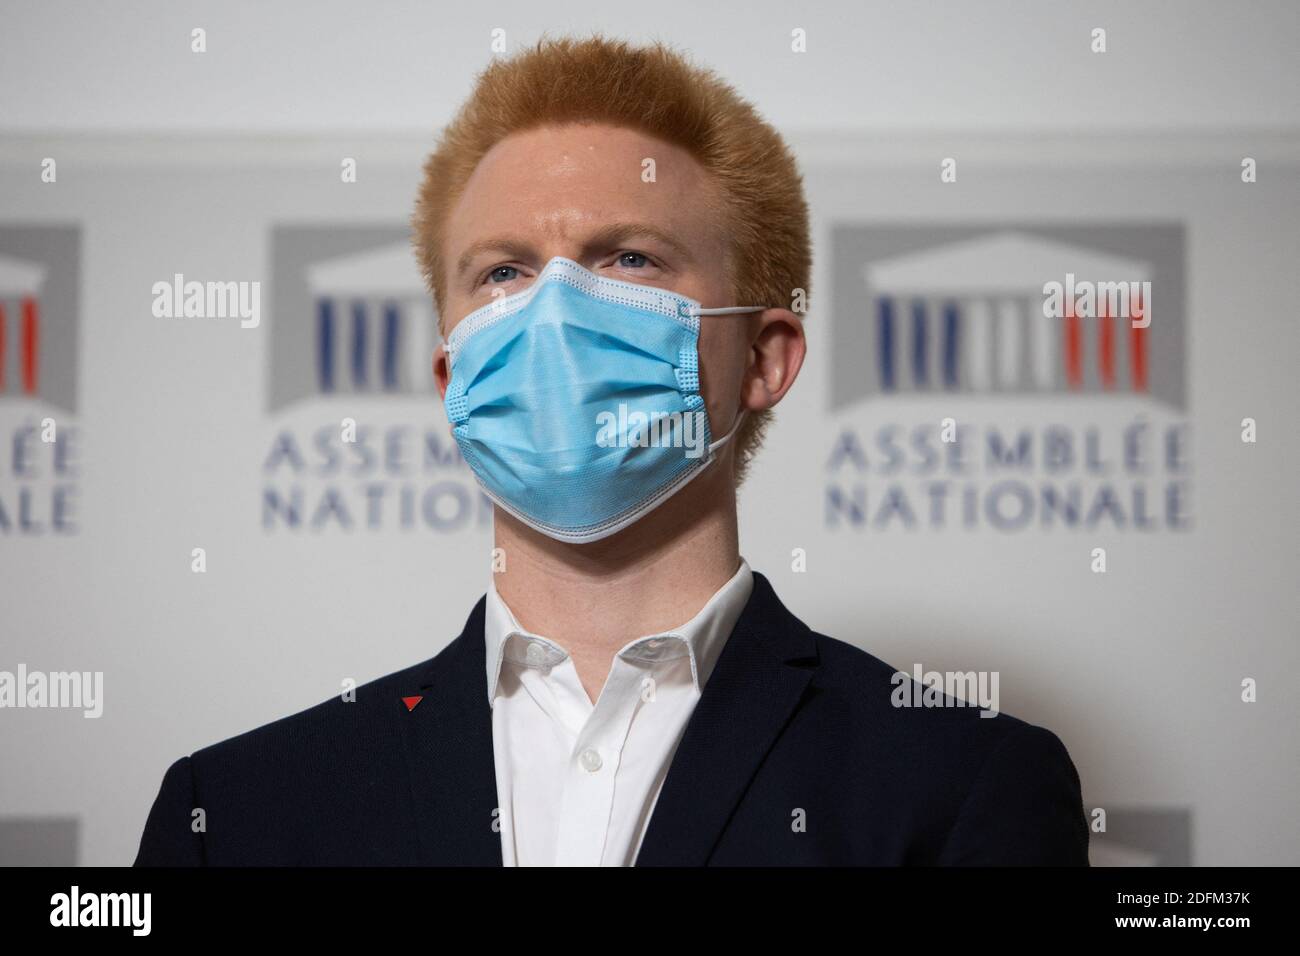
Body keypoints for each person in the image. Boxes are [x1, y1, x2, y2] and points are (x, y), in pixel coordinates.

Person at [135, 34, 1088, 866]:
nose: (553, 312)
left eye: (627, 258)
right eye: (503, 272)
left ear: (762, 357)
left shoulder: (959, 787)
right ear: (451, 376)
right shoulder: (238, 815)